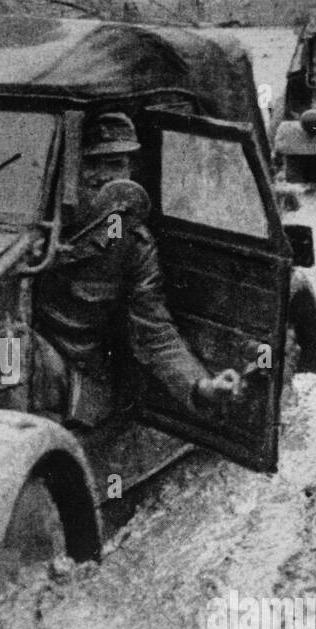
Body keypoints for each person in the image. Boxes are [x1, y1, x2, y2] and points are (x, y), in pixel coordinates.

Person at [32, 112, 241, 428]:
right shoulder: (32, 221)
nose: (104, 177)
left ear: (130, 172)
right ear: (69, 168)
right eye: (92, 163)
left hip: (77, 377)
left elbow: (154, 331)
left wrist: (201, 386)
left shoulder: (127, 239)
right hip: (23, 361)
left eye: (116, 165)